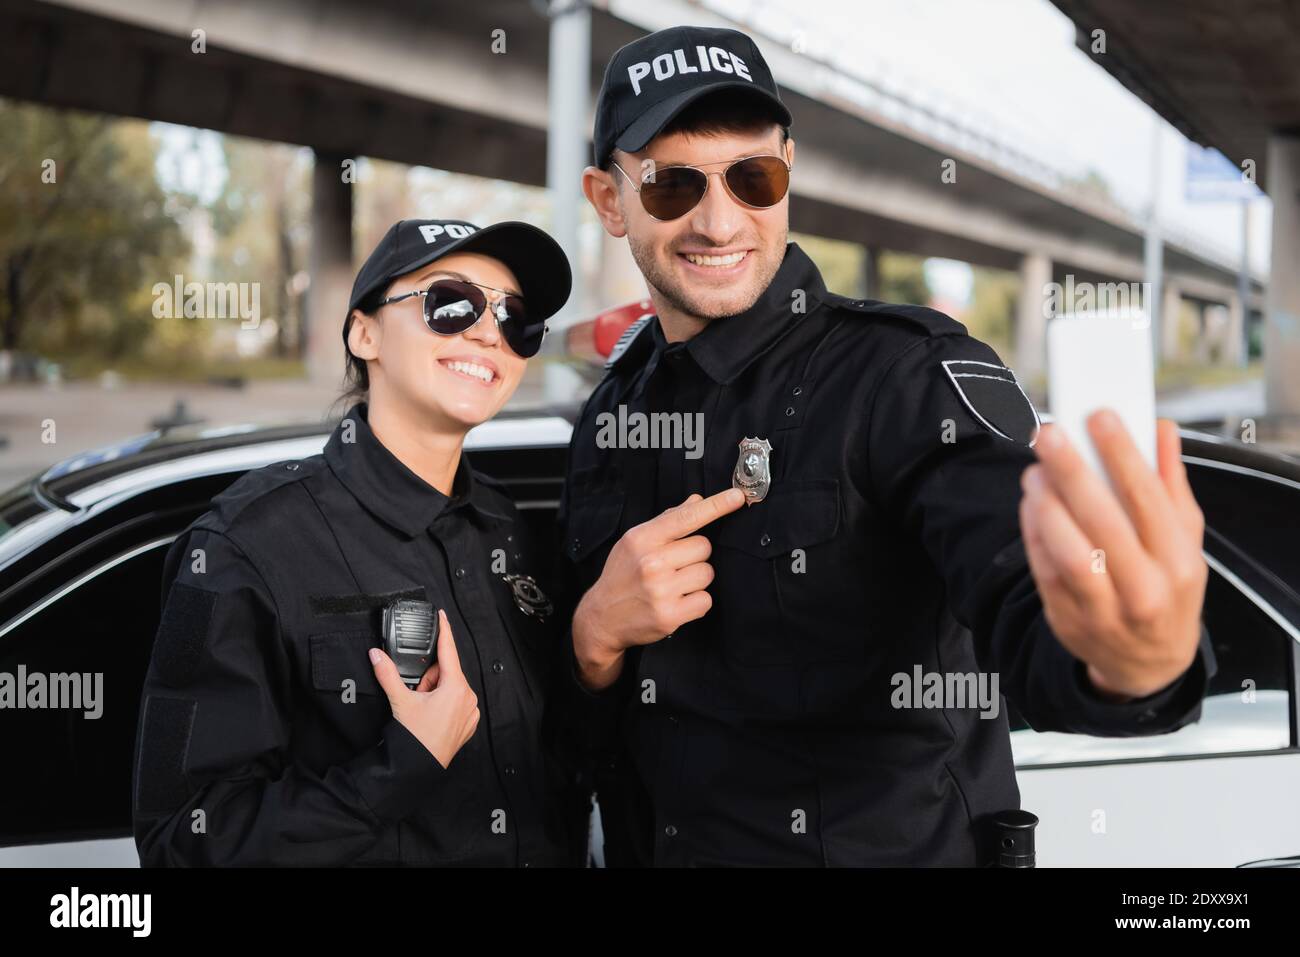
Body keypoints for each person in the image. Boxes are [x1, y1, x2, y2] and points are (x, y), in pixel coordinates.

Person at [560, 26, 1216, 866]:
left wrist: (1135, 659)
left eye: (753, 178)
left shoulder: (906, 376)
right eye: (671, 184)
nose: (720, 220)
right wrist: (593, 641)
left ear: (788, 171)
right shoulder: (609, 415)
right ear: (610, 200)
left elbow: (1022, 586)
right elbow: (570, 750)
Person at [132, 218, 588, 866]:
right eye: (450, 302)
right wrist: (400, 767)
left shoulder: (512, 529)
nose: (489, 331)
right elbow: (184, 843)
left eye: (516, 319)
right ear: (363, 331)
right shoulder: (246, 547)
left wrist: (599, 650)